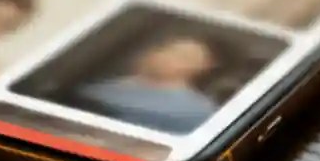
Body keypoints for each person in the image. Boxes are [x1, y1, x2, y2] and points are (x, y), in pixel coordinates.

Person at [76, 37, 221, 133]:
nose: (169, 58)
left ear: (202, 67)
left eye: (184, 57)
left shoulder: (197, 110)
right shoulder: (104, 85)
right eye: (168, 50)